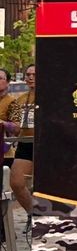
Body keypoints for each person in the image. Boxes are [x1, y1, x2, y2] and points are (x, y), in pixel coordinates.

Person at [0, 64, 37, 214]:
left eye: (34, 74)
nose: (30, 77)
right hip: (25, 142)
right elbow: (16, 128)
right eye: (28, 75)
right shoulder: (20, 99)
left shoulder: (51, 97)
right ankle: (33, 214)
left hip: (45, 143)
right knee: (16, 182)